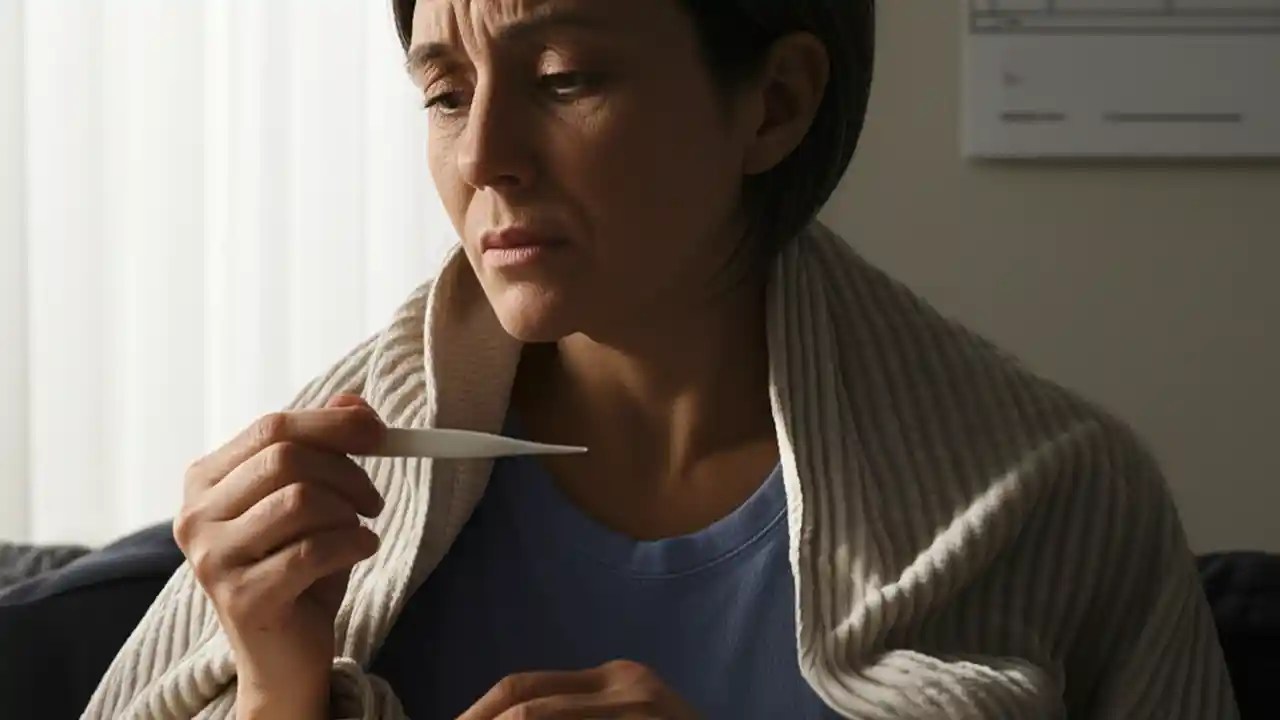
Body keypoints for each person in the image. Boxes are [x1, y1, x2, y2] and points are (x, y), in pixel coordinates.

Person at [81, 0, 1237, 718]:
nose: (482, 156)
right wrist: (276, 693)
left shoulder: (1057, 497)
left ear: (772, 105)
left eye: (562, 78)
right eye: (444, 93)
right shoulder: (335, 476)